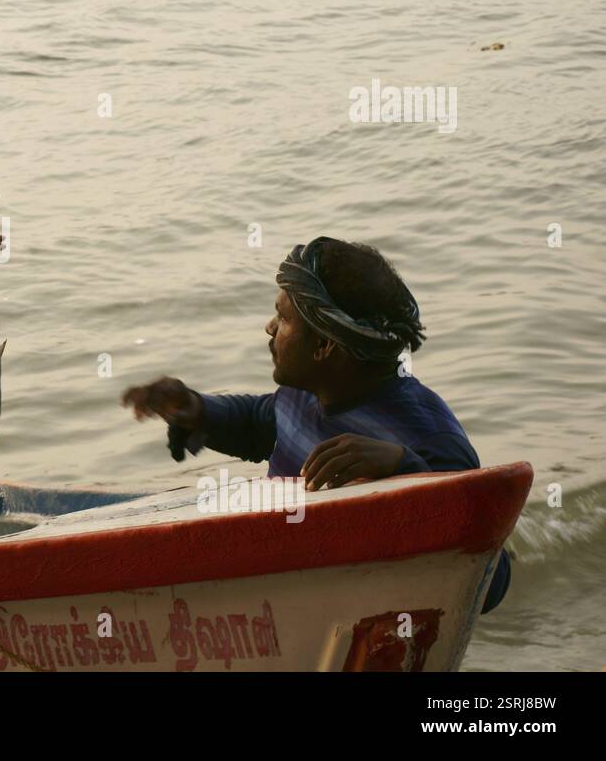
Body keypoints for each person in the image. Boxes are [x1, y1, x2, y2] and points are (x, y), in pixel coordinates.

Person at [120, 236, 511, 613]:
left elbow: (490, 581)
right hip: (284, 597)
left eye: (284, 318)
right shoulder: (306, 393)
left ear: (324, 346)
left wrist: (406, 471)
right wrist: (197, 409)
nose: (270, 328)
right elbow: (263, 425)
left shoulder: (429, 435)